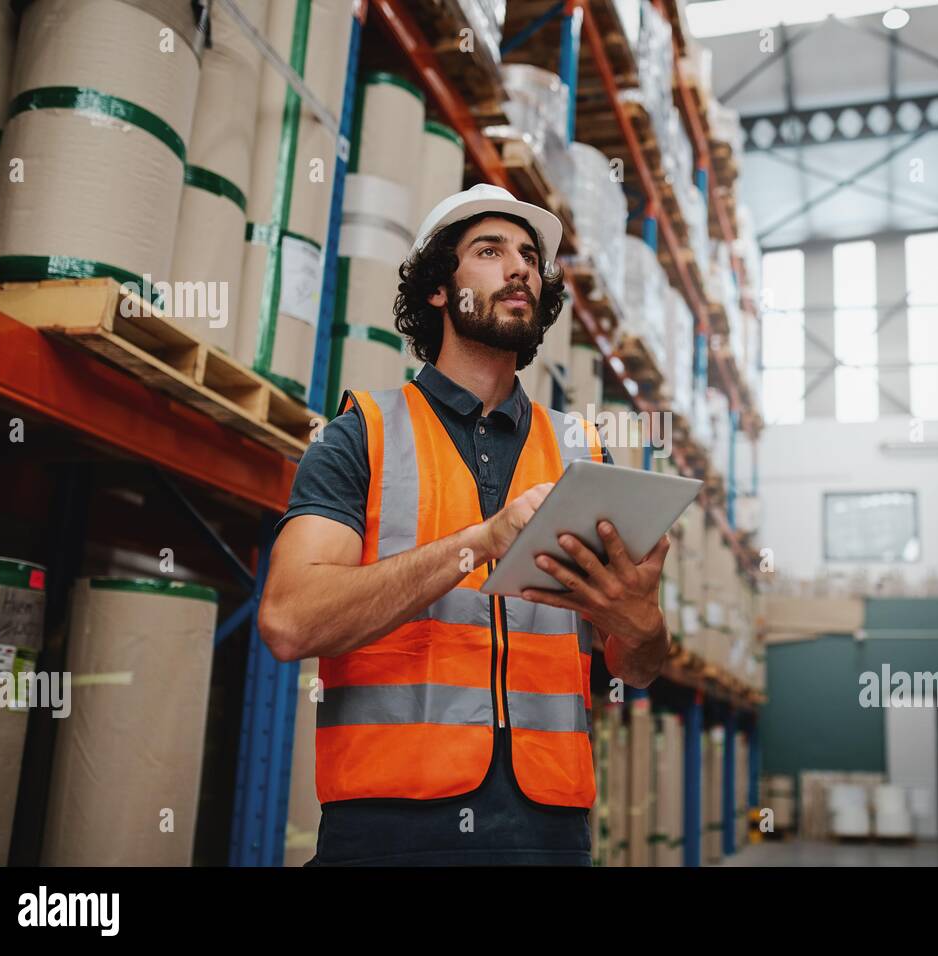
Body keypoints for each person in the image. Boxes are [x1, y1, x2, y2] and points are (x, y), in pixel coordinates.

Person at [258, 183, 673, 865]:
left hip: (548, 833)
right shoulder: (360, 435)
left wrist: (643, 624)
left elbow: (640, 667)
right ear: (438, 291)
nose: (520, 268)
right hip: (387, 830)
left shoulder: (585, 455)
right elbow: (288, 620)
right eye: (490, 250)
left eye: (530, 257)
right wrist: (476, 545)